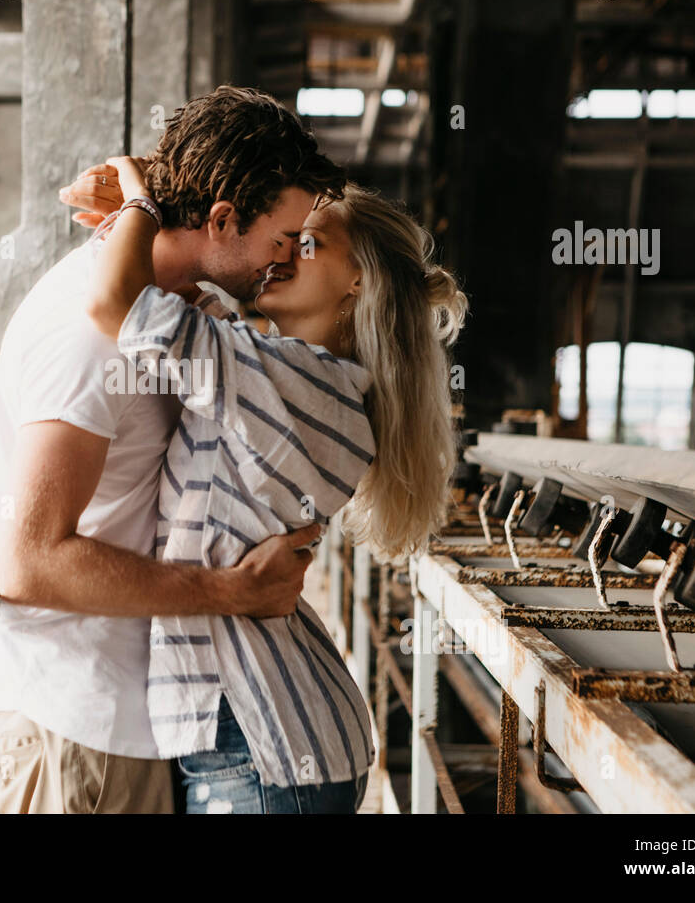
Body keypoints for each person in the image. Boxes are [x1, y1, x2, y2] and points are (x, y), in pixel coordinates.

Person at [0, 86, 347, 813]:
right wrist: (234, 593)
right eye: (283, 238)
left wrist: (145, 188)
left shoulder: (173, 309)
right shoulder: (85, 338)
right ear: (222, 220)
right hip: (75, 729)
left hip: (124, 721)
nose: (287, 258)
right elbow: (31, 562)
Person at [66, 155, 467, 813]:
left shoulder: (298, 381)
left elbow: (119, 305)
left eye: (310, 241)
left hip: (261, 748)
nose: (284, 251)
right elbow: (182, 309)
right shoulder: (303, 376)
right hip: (268, 742)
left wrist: (141, 197)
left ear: (358, 278)